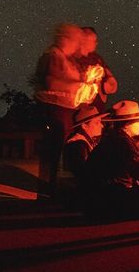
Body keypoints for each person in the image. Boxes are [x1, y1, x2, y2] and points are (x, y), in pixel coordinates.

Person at [81, 100, 139, 220]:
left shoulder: (116, 138)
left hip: (100, 195)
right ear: (127, 124)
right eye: (137, 121)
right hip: (107, 196)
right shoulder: (122, 141)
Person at [34, 23, 96, 196]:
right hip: (56, 111)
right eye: (77, 40)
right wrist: (80, 86)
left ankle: (54, 187)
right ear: (67, 39)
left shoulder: (63, 57)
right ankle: (47, 190)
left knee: (59, 149)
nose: (78, 45)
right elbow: (51, 83)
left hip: (63, 110)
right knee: (54, 149)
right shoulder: (53, 55)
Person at [62, 105, 107, 196]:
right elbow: (84, 174)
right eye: (97, 123)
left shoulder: (85, 141)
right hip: (76, 193)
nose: (102, 126)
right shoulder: (78, 144)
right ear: (84, 126)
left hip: (78, 190)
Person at [78, 27, 118, 110]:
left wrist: (105, 86)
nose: (96, 43)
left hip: (98, 105)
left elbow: (110, 78)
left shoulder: (97, 58)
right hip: (83, 107)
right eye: (94, 40)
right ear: (84, 40)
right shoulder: (74, 58)